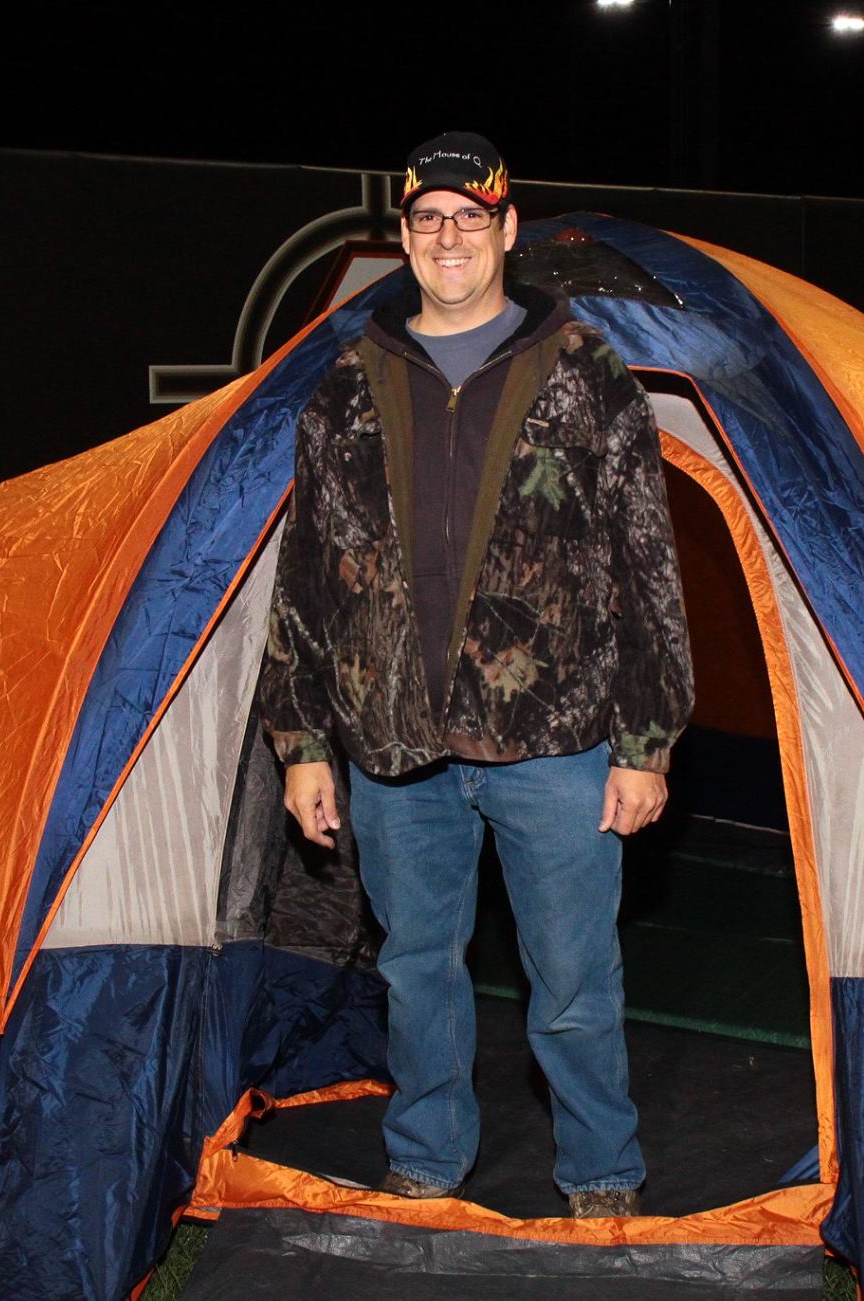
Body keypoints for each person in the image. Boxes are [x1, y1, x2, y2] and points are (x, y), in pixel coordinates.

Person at [256, 131, 693, 1218]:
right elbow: (306, 571)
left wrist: (646, 744)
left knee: (573, 987)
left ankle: (599, 1175)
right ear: (403, 238)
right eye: (425, 219)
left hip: (556, 744)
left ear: (505, 229)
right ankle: (426, 1159)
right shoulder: (346, 384)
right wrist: (301, 744)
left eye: (468, 216)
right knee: (415, 973)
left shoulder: (584, 371)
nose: (447, 236)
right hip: (393, 746)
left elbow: (647, 563)